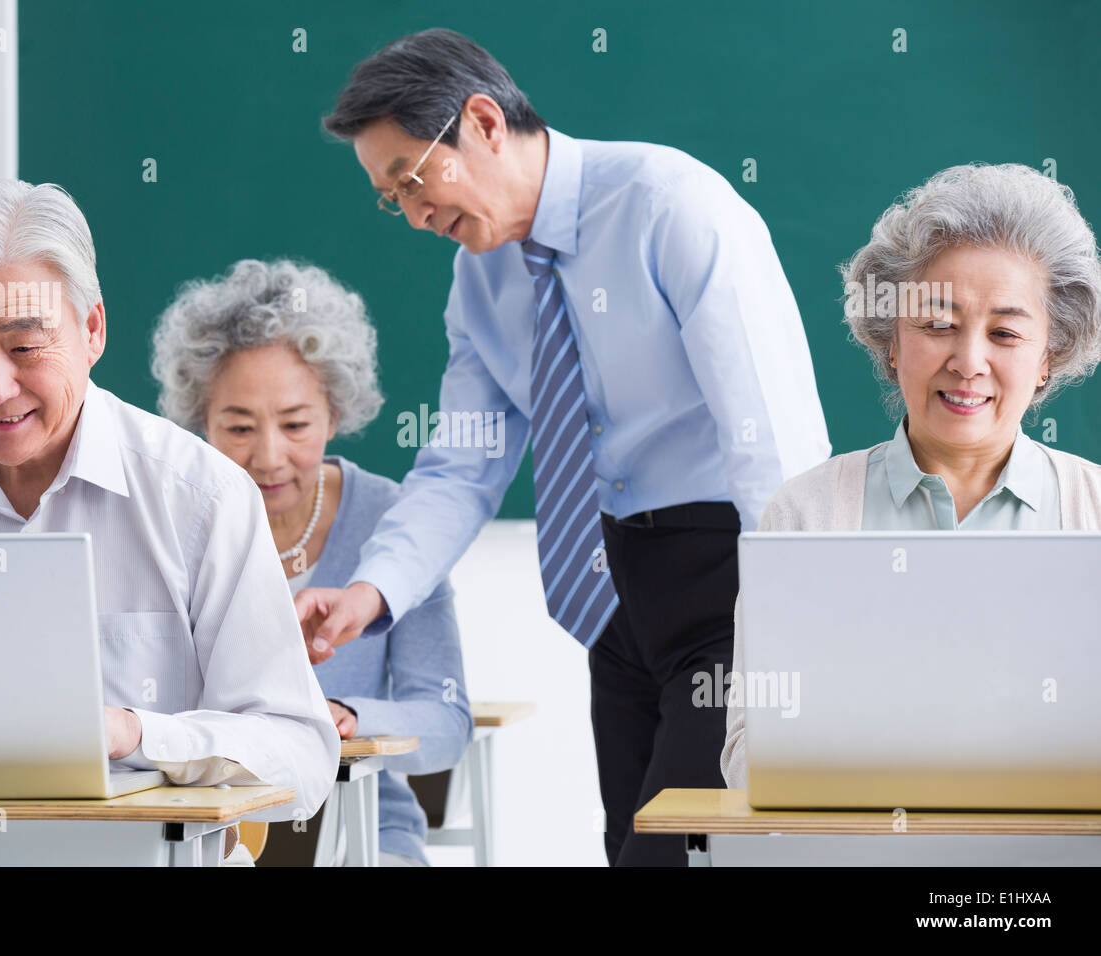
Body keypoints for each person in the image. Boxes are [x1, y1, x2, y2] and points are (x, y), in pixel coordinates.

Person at [297, 28, 831, 866]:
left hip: (730, 583)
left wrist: (795, 619)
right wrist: (372, 591)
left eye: (411, 179)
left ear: (482, 120)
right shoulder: (481, 276)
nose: (413, 214)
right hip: (614, 593)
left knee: (686, 852)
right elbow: (462, 464)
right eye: (389, 197)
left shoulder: (670, 204)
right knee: (628, 846)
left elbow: (771, 434)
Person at [0, 180, 339, 835]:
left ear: (92, 330)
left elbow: (301, 755)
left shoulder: (201, 500)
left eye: (26, 347)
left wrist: (134, 734)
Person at [720, 163, 1101, 787]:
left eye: (1004, 332)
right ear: (892, 341)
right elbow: (747, 758)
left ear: (1046, 359)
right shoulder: (807, 514)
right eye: (938, 326)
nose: (969, 362)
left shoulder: (1095, 510)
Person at [151, 257, 473, 866]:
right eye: (239, 427)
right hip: (203, 834)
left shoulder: (395, 524)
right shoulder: (172, 520)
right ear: (201, 422)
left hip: (365, 836)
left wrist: (349, 717)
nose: (270, 457)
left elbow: (447, 720)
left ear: (335, 411)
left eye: (296, 424)